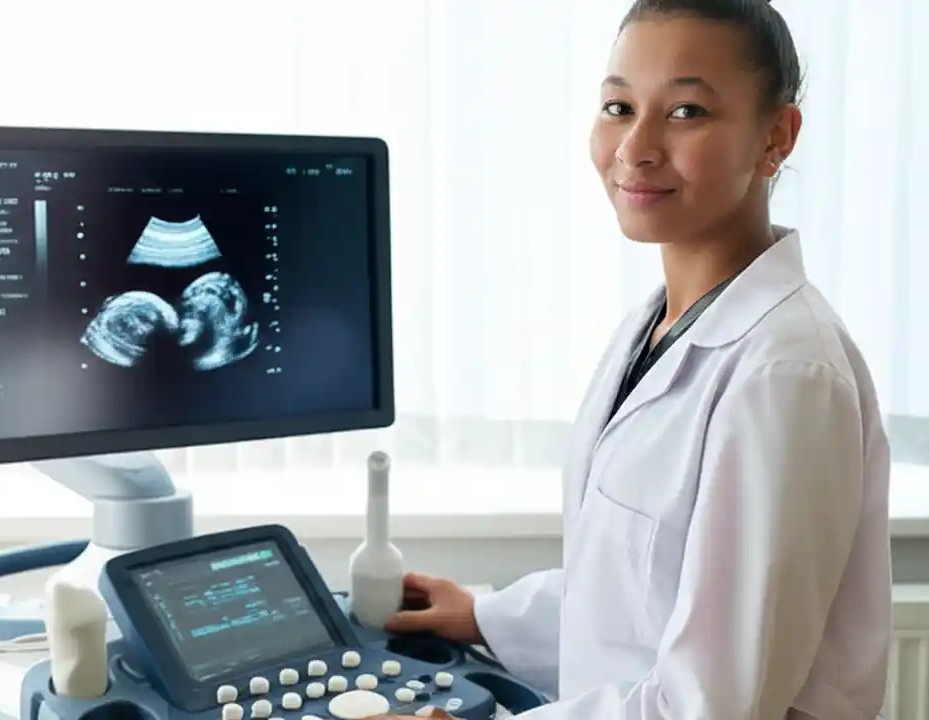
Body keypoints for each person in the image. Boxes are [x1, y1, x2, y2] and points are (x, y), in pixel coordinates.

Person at [377, 1, 892, 718]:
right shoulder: (657, 325)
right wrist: (484, 616)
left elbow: (712, 704)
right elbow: (637, 588)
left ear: (776, 136)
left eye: (686, 112)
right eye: (619, 106)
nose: (635, 147)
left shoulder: (785, 375)